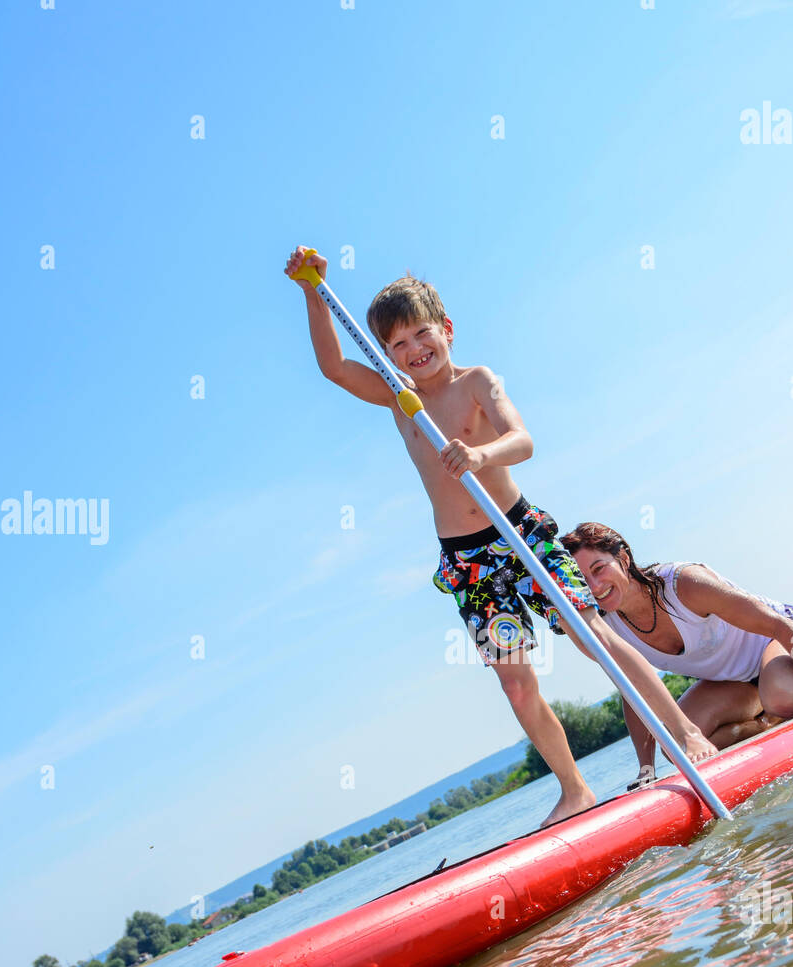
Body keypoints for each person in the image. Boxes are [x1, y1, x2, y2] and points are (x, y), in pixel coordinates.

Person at [285, 250, 718, 825]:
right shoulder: (398, 398)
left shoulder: (477, 381)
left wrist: (480, 453)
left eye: (422, 334)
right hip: (468, 563)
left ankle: (683, 733)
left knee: (594, 639)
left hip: (520, 534)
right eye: (397, 346)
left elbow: (523, 439)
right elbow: (334, 367)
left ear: (446, 330)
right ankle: (574, 790)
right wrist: (313, 290)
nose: (414, 350)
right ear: (387, 355)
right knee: (516, 685)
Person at [560, 522, 793, 786]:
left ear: (623, 558)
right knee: (677, 746)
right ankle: (767, 722)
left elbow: (775, 623)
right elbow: (633, 691)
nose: (595, 585)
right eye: (583, 581)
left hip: (783, 641)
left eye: (599, 569)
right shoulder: (606, 628)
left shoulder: (683, 584)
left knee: (783, 697)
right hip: (733, 682)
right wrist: (647, 769)